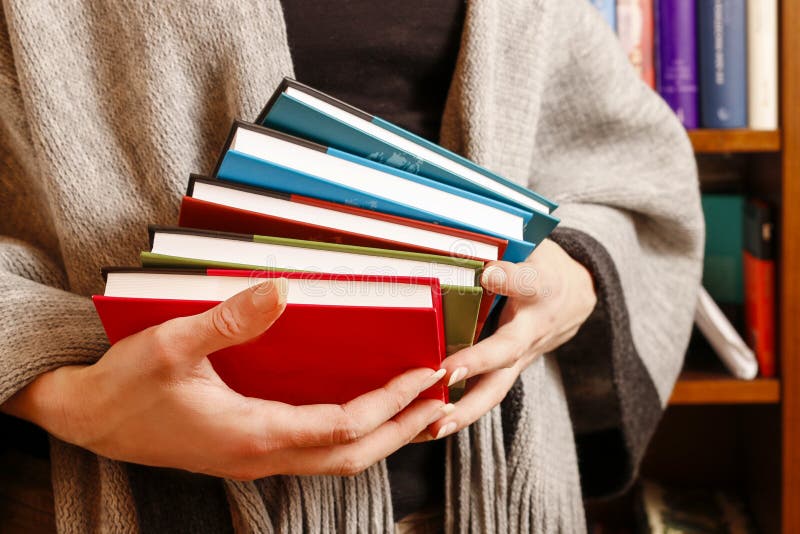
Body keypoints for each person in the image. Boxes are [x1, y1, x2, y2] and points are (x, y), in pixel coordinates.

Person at [0, 0, 703, 532]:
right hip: (115, 495)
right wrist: (75, 403)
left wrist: (572, 279)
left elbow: (631, 173)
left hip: (483, 495)